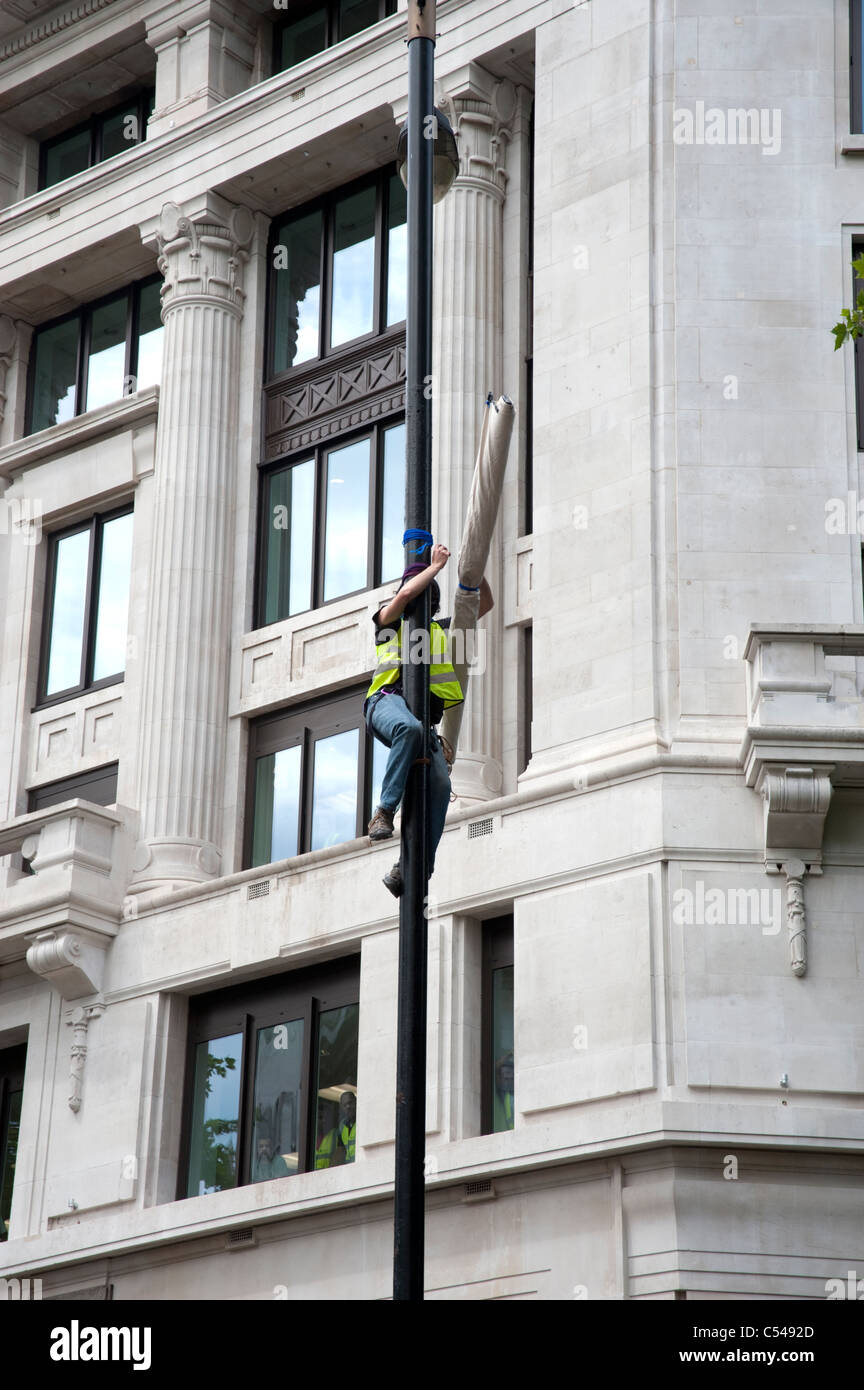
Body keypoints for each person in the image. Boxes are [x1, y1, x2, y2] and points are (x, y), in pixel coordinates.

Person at [365, 544, 493, 896]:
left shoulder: (439, 631)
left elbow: (483, 606)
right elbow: (406, 592)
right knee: (408, 728)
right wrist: (436, 566)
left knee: (440, 787)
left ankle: (411, 869)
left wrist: (473, 566)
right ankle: (384, 812)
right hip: (385, 703)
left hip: (426, 727)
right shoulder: (388, 623)